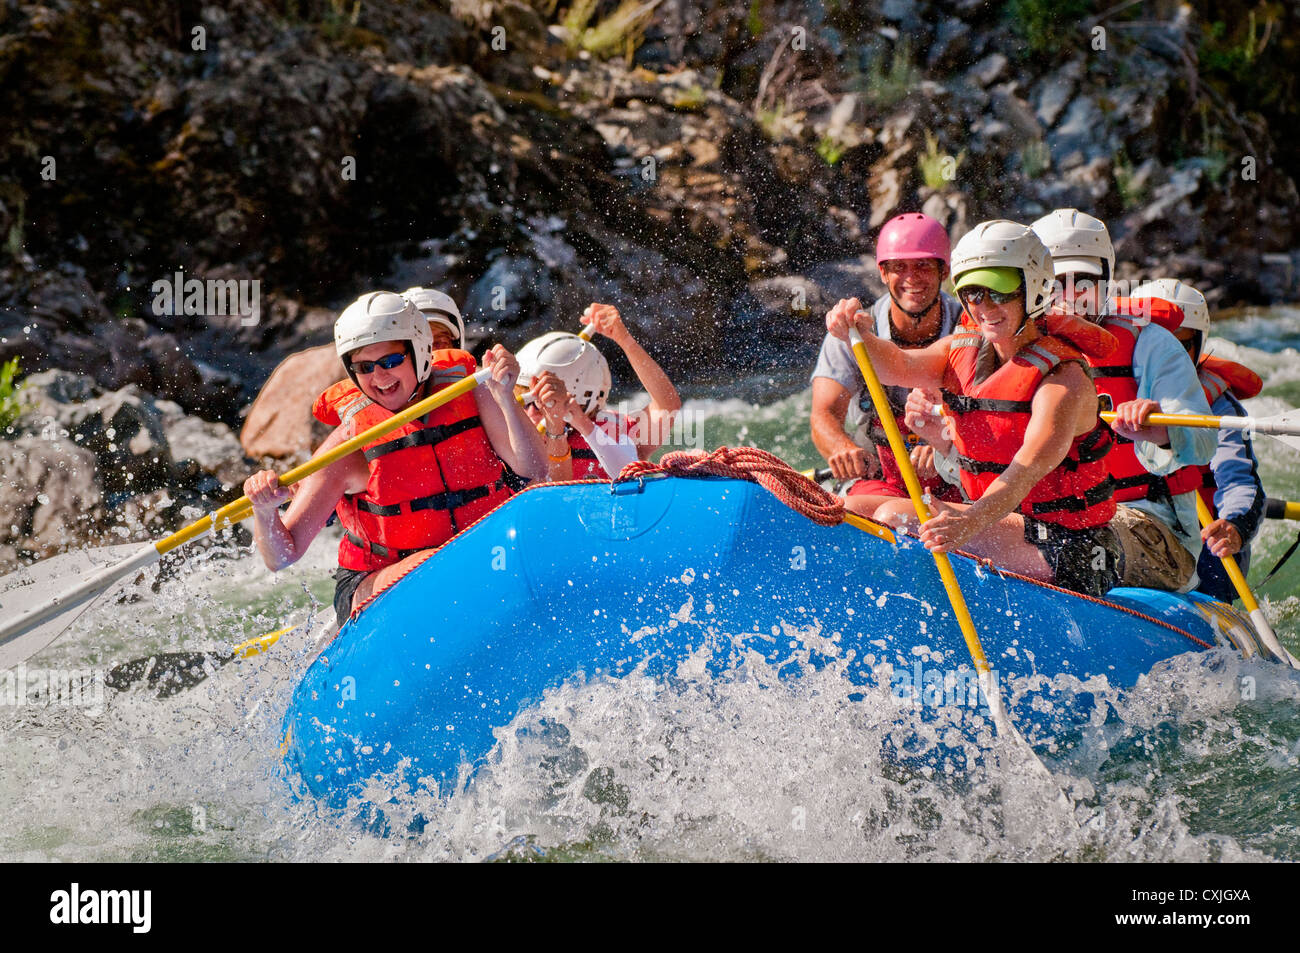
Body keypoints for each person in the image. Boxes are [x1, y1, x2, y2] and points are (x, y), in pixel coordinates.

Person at [825, 220, 1123, 597]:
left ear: (1034, 288)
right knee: (851, 507)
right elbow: (898, 365)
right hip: (1005, 523)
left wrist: (970, 523)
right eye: (973, 294)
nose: (985, 307)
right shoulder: (959, 349)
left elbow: (1025, 471)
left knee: (894, 518)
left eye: (998, 292)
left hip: (1074, 548)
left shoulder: (1063, 380)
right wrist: (858, 335)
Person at [244, 291, 548, 622]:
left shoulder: (472, 393)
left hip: (478, 556)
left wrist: (505, 397)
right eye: (364, 367)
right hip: (378, 581)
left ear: (420, 352)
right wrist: (264, 510)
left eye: (391, 361)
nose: (380, 378)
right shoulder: (349, 446)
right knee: (433, 563)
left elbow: (535, 468)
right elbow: (282, 555)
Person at [1032, 208, 1215, 591]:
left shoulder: (1150, 344)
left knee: (1078, 548)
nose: (1070, 294)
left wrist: (1160, 430)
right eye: (1055, 281)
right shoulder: (1009, 352)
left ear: (1107, 280)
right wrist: (941, 439)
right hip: (1044, 517)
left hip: (1147, 525)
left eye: (1084, 279)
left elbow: (1203, 442)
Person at [810, 212, 966, 512]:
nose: (911, 278)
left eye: (923, 265)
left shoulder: (970, 329)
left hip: (959, 477)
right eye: (898, 268)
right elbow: (824, 415)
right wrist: (844, 450)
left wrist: (946, 441)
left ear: (943, 271)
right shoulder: (850, 335)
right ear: (883, 273)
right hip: (881, 480)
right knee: (855, 508)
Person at [1131, 279, 1267, 603]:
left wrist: (1235, 526)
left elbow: (1239, 482)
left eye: (1178, 347)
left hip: (1205, 552)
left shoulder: (1219, 408)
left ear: (1198, 344)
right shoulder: (1104, 396)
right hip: (1137, 532)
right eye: (1152, 347)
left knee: (1215, 554)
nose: (1166, 361)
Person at [516, 302, 681, 480]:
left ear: (580, 400)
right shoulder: (509, 436)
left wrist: (625, 341)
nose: (530, 412)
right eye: (523, 402)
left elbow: (667, 405)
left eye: (539, 403)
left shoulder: (613, 430)